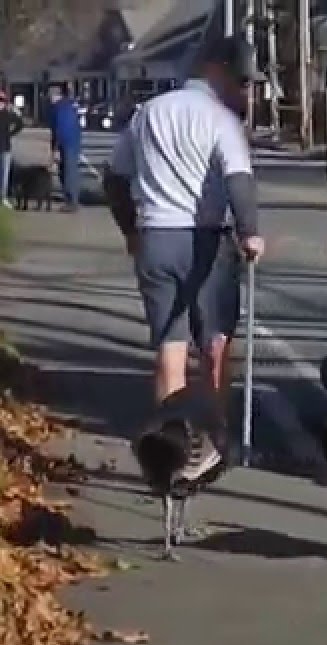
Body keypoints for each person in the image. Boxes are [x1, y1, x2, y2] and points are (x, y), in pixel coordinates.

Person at [103, 37, 266, 479]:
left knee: (169, 348)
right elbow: (238, 182)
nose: (247, 93)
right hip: (206, 241)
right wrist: (250, 233)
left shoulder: (148, 113)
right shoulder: (221, 120)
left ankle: (171, 449)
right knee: (214, 344)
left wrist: (131, 230)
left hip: (156, 236)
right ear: (221, 76)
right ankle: (214, 442)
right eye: (244, 83)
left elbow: (114, 179)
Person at [47, 84, 82, 213]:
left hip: (66, 143)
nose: (49, 98)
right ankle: (70, 199)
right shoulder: (68, 106)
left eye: (50, 95)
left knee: (68, 172)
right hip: (72, 142)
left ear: (55, 95)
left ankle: (72, 201)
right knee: (67, 170)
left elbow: (59, 128)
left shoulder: (60, 108)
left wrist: (55, 148)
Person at [0, 91, 22, 208]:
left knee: (4, 175)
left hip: (5, 148)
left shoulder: (8, 114)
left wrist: (11, 133)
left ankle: (3, 197)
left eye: (2, 101)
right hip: (4, 147)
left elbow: (20, 123)